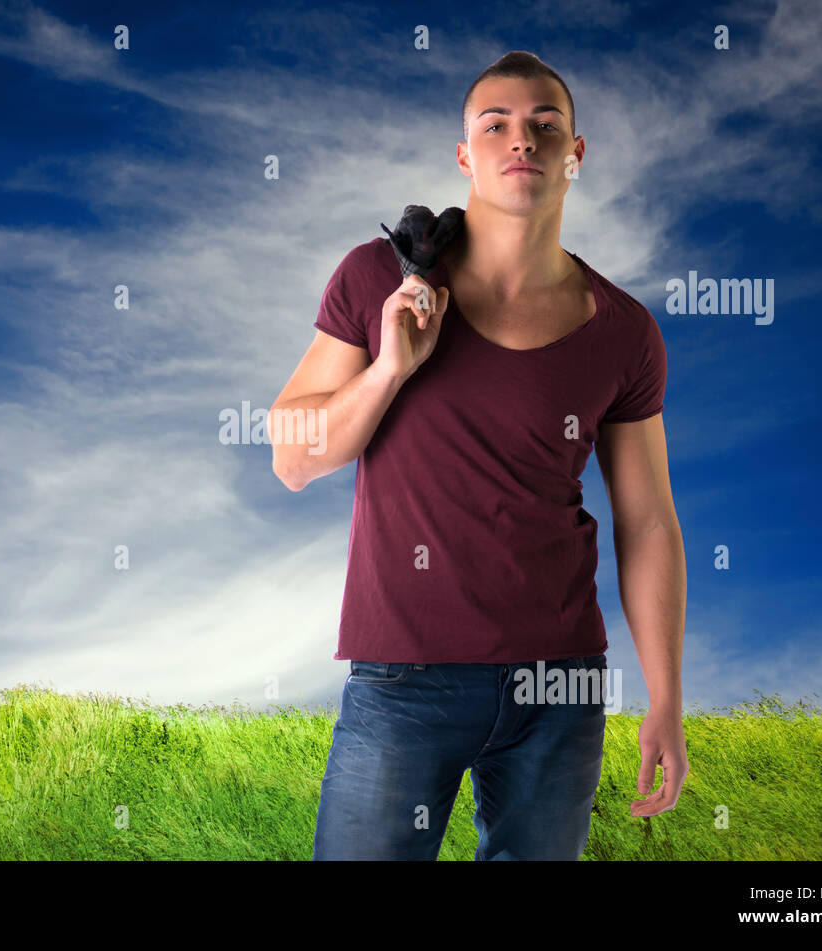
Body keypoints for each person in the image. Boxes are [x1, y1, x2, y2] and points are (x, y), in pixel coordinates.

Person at [270, 51, 689, 860]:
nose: (520, 141)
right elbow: (293, 457)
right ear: (465, 155)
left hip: (560, 687)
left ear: (576, 154)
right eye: (495, 125)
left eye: (545, 126)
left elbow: (647, 521)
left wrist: (666, 694)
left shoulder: (626, 331)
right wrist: (391, 367)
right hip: (403, 680)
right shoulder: (378, 280)